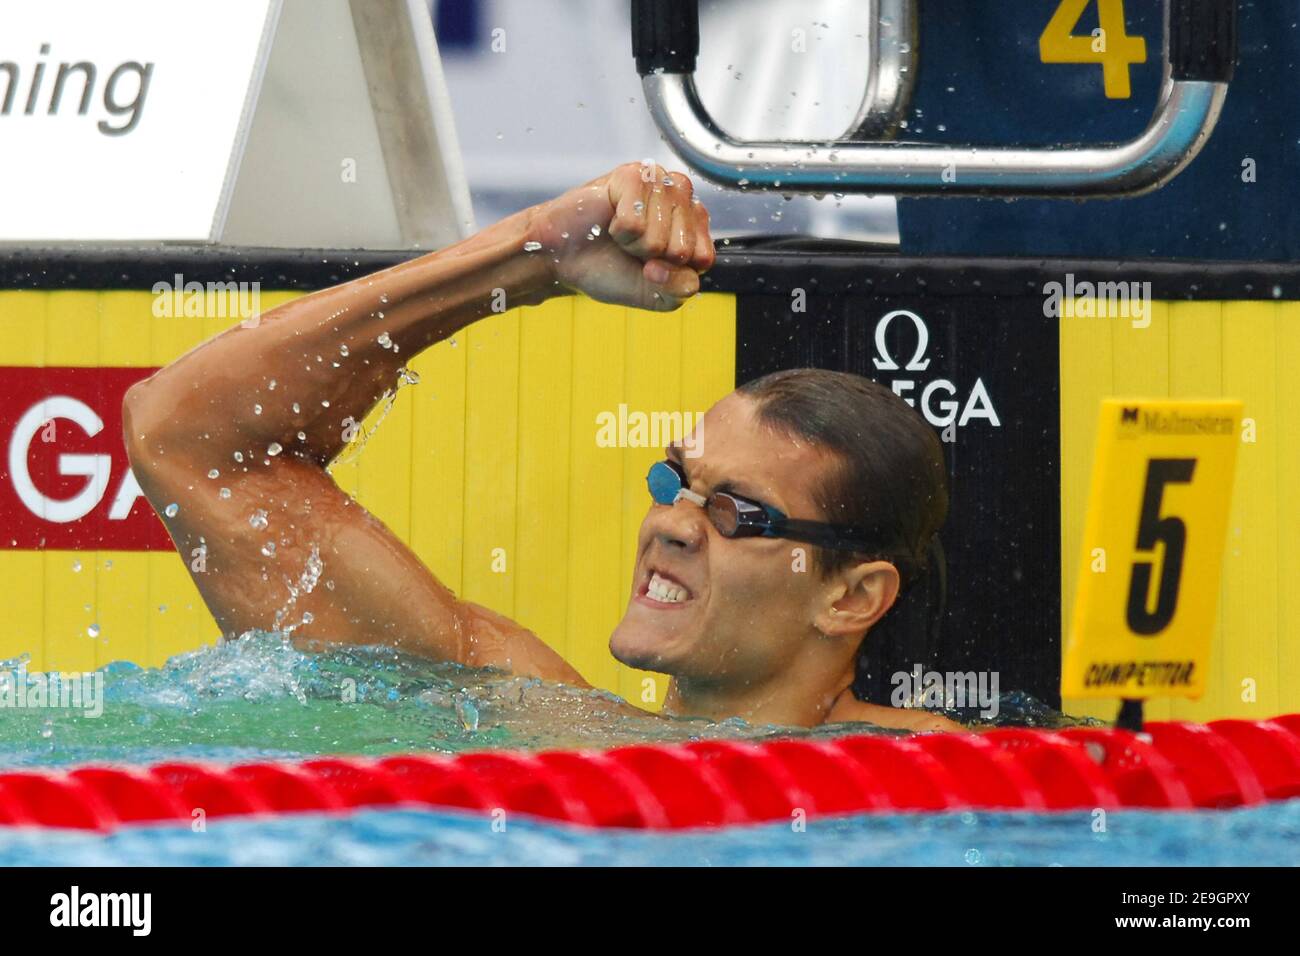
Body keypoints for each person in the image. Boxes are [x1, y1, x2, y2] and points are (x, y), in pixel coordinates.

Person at [123, 161, 959, 732]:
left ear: (852, 597)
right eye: (676, 483)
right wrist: (526, 257)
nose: (671, 524)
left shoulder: (945, 773)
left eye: (737, 512)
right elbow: (188, 437)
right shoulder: (537, 728)